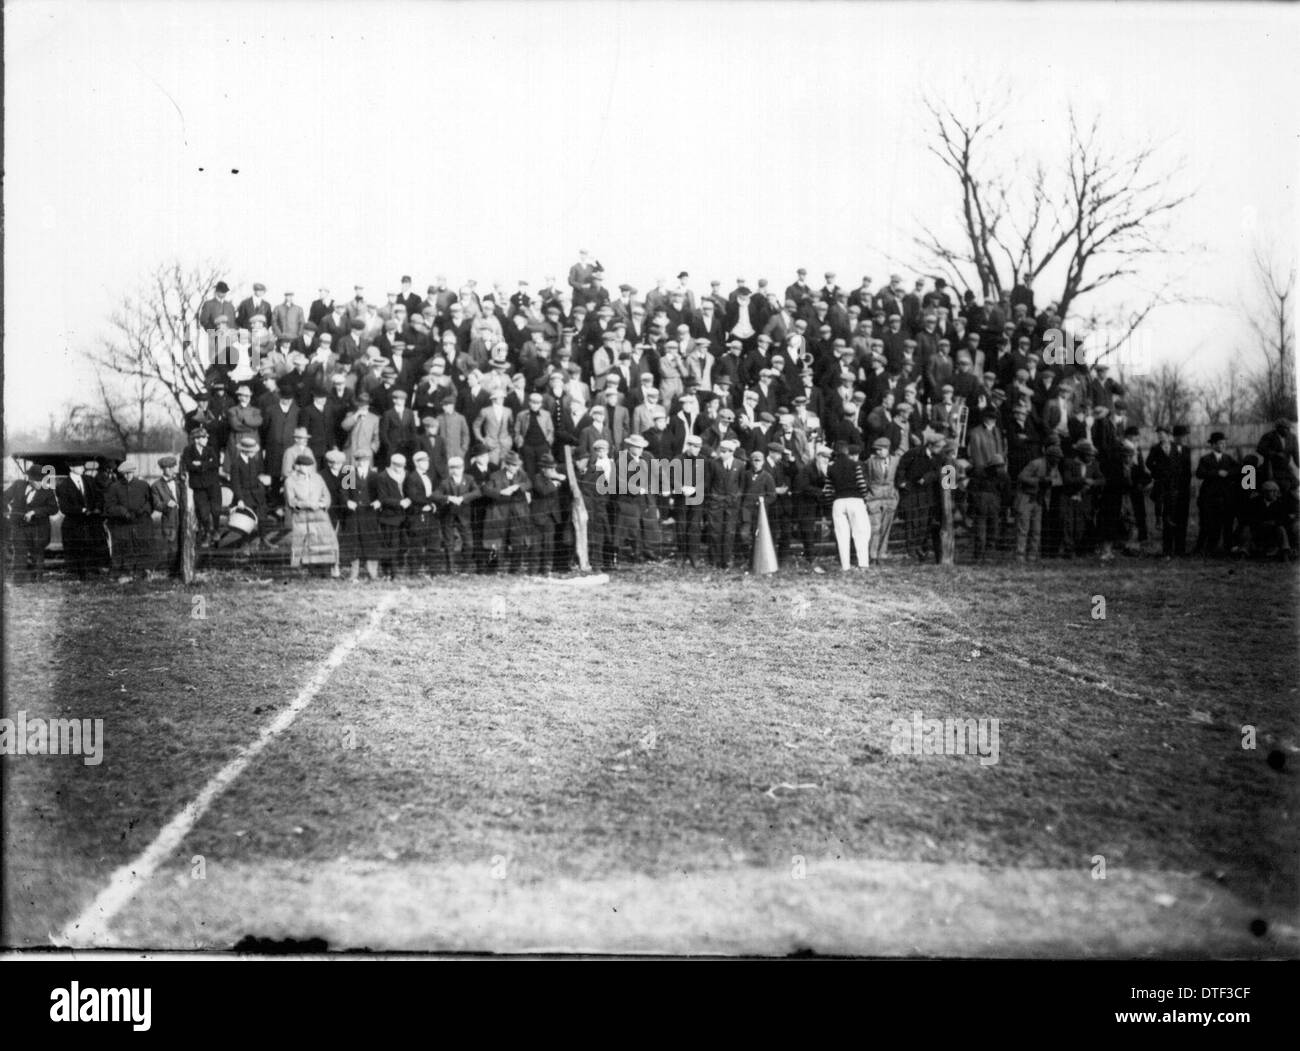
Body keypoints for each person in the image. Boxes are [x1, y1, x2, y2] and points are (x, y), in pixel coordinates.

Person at [284, 453, 338, 574]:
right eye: (304, 466)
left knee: (323, 540)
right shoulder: (290, 481)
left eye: (309, 466)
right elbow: (291, 501)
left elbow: (326, 495)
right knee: (303, 542)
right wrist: (307, 504)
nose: (307, 469)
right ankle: (303, 569)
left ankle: (325, 568)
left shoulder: (317, 478)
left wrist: (323, 504)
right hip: (302, 516)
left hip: (320, 515)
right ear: (297, 466)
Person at [823, 441, 871, 571]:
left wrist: (830, 504)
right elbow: (862, 485)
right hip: (855, 500)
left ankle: (845, 566)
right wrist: (864, 498)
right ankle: (863, 564)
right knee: (861, 532)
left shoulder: (830, 467)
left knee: (842, 535)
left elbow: (828, 490)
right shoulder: (855, 465)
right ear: (847, 452)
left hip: (838, 502)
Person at [5, 466, 59, 582]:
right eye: (37, 481)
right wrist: (7, 510)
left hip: (38, 528)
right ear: (29, 479)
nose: (40, 483)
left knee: (37, 554)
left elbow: (54, 509)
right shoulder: (18, 485)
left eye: (42, 480)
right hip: (19, 527)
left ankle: (37, 580)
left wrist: (34, 512)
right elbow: (4, 497)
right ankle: (18, 581)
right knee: (20, 553)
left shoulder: (47, 491)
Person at [483, 450, 534, 573]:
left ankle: (514, 568)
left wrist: (518, 487)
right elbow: (486, 490)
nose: (516, 468)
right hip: (501, 512)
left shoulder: (522, 474)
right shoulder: (496, 475)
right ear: (507, 465)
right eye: (513, 465)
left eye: (517, 465)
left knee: (518, 541)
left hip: (517, 513)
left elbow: (529, 483)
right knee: (499, 542)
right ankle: (498, 568)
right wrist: (501, 492)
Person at [104, 461, 155, 581]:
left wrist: (143, 510)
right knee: (124, 548)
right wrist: (122, 511)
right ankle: (125, 573)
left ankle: (143, 572)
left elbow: (151, 502)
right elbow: (109, 507)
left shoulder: (143, 485)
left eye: (129, 473)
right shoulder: (114, 487)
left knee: (143, 546)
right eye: (124, 474)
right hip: (123, 524)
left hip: (141, 523)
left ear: (133, 472)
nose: (127, 476)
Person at [1014, 445, 1063, 562]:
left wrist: (1050, 482)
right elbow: (1021, 477)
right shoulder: (1035, 463)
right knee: (1023, 528)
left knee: (1036, 529)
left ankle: (1032, 555)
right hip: (1026, 497)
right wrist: (1039, 480)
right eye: (1055, 457)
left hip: (1039, 499)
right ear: (1049, 456)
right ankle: (1020, 555)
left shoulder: (1054, 467)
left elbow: (1059, 481)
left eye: (1059, 458)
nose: (1057, 460)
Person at [1195, 431, 1237, 556]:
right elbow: (1199, 473)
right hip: (1209, 497)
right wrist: (1217, 473)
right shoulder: (1205, 459)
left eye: (1224, 443)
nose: (1222, 446)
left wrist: (1228, 473)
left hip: (1225, 496)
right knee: (1209, 523)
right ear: (1213, 445)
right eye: (1219, 443)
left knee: (1227, 522)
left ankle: (1228, 546)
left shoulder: (1228, 458)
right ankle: (1207, 547)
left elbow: (1239, 469)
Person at [55, 460, 97, 580]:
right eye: (80, 465)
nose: (83, 467)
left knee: (89, 547)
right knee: (77, 549)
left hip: (89, 522)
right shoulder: (63, 486)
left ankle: (89, 572)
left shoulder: (88, 481)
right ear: (72, 468)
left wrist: (95, 508)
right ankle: (80, 575)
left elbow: (95, 497)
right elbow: (64, 507)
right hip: (74, 524)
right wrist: (82, 510)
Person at [183, 426, 223, 546]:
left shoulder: (210, 450)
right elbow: (189, 466)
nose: (207, 439)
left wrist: (200, 464)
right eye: (204, 437)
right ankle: (207, 533)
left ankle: (216, 530)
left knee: (216, 510)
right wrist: (207, 464)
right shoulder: (188, 451)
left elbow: (215, 463)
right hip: (198, 487)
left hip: (213, 485)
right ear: (196, 439)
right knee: (204, 513)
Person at [150, 455, 186, 574]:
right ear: (162, 469)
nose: (171, 470)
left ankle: (184, 568)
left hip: (184, 518)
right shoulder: (156, 485)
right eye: (167, 468)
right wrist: (166, 505)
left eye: (172, 467)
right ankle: (172, 571)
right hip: (169, 519)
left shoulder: (180, 482)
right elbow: (156, 504)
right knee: (172, 546)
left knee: (185, 543)